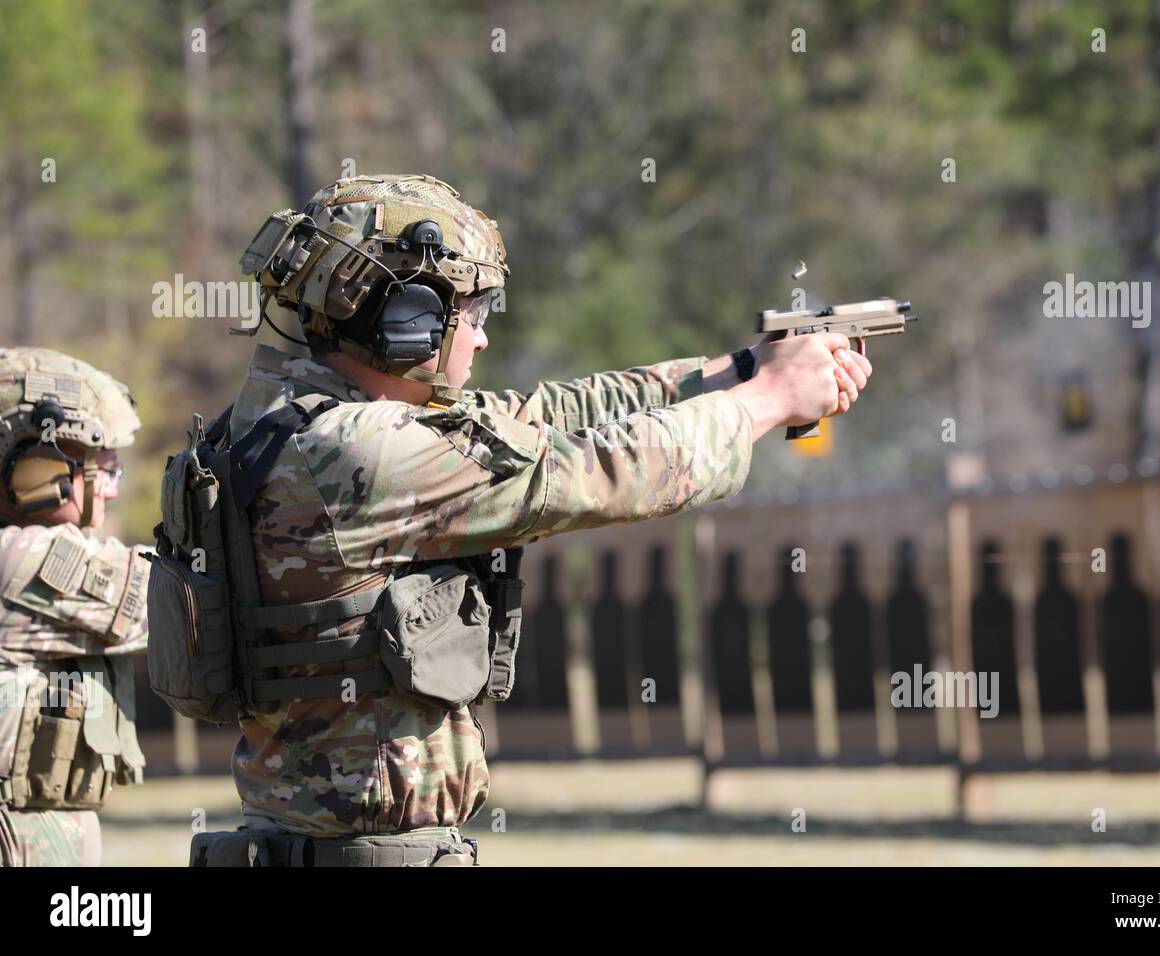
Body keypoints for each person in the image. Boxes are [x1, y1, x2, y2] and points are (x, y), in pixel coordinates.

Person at [180, 173, 870, 866]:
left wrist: (746, 367)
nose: (478, 341)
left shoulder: (269, 430)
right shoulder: (356, 452)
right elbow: (598, 471)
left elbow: (552, 413)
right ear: (404, 319)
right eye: (471, 314)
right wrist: (771, 399)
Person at [0, 348, 149, 866]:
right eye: (102, 467)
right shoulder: (16, 563)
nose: (109, 489)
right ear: (30, 470)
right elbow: (180, 596)